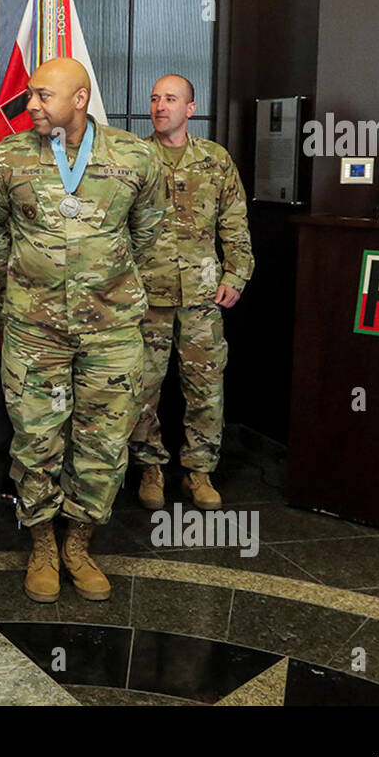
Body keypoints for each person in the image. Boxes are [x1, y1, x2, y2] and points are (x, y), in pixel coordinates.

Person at [0, 57, 164, 603]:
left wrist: (100, 275)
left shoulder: (134, 157)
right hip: (36, 331)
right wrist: (30, 280)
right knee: (36, 441)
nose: (30, 105)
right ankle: (42, 546)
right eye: (30, 95)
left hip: (111, 332)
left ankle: (78, 545)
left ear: (79, 99)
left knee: (102, 442)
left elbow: (147, 231)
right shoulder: (6, 159)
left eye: (43, 96)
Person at [129, 74, 254, 512]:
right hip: (146, 294)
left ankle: (199, 471)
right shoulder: (135, 157)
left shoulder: (215, 160)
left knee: (205, 385)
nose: (160, 105)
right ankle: (149, 467)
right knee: (143, 387)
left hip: (202, 296)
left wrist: (236, 276)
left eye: (171, 98)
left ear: (191, 107)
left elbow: (234, 224)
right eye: (155, 98)